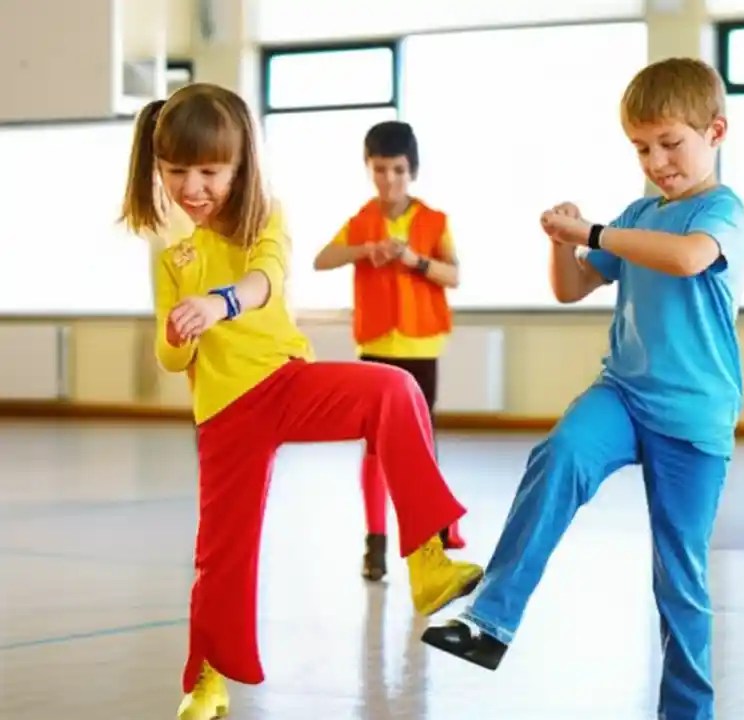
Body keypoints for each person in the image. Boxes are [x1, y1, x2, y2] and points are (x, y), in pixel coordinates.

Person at [121, 83, 483, 720]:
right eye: (177, 172)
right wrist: (178, 337)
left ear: (240, 166)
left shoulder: (267, 216)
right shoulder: (170, 252)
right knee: (221, 554)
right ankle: (206, 680)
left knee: (393, 389)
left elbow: (267, 280)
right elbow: (169, 355)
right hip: (225, 411)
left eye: (210, 172)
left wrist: (219, 303)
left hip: (288, 384)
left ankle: (428, 558)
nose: (193, 187)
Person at [423, 57, 744, 720]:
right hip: (624, 394)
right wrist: (559, 241)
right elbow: (571, 287)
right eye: (642, 149)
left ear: (715, 131)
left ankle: (688, 713)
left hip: (693, 419)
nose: (657, 162)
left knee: (679, 579)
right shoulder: (638, 212)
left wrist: (595, 232)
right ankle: (491, 622)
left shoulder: (722, 209)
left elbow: (687, 258)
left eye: (670, 144)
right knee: (563, 450)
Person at [312, 120, 466, 582]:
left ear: (411, 170)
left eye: (397, 170)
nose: (389, 180)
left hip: (420, 345)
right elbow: (323, 259)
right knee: (377, 451)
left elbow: (453, 275)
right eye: (380, 170)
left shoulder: (435, 221)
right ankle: (374, 543)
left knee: (420, 447)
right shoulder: (362, 220)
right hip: (377, 346)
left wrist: (412, 260)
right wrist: (366, 250)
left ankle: (431, 541)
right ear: (369, 169)